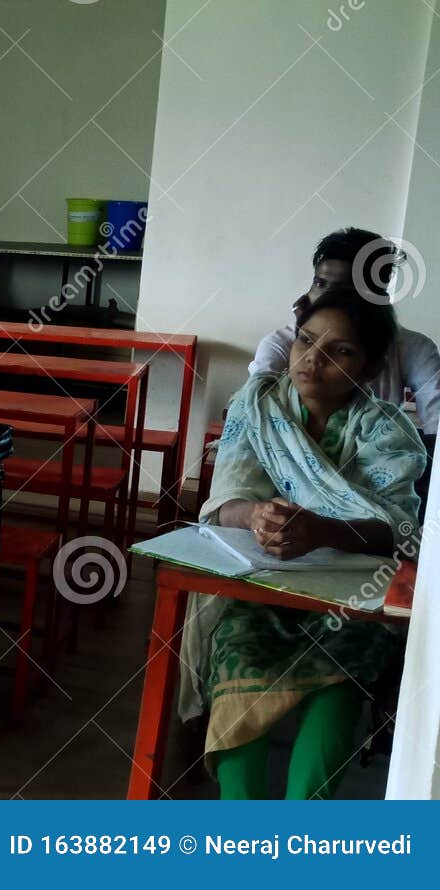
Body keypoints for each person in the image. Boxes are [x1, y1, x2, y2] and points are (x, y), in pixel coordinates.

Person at [201, 287, 426, 799]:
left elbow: (400, 531)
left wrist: (321, 531)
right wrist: (257, 516)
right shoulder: (256, 406)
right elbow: (224, 502)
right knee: (241, 667)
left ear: (369, 369)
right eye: (306, 340)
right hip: (263, 589)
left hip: (353, 598)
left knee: (337, 685)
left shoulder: (384, 429)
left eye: (340, 351)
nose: (313, 360)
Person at [249, 228, 440, 438]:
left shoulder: (412, 347)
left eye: (343, 290)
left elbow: (436, 421)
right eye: (319, 283)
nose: (324, 297)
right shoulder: (282, 343)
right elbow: (255, 409)